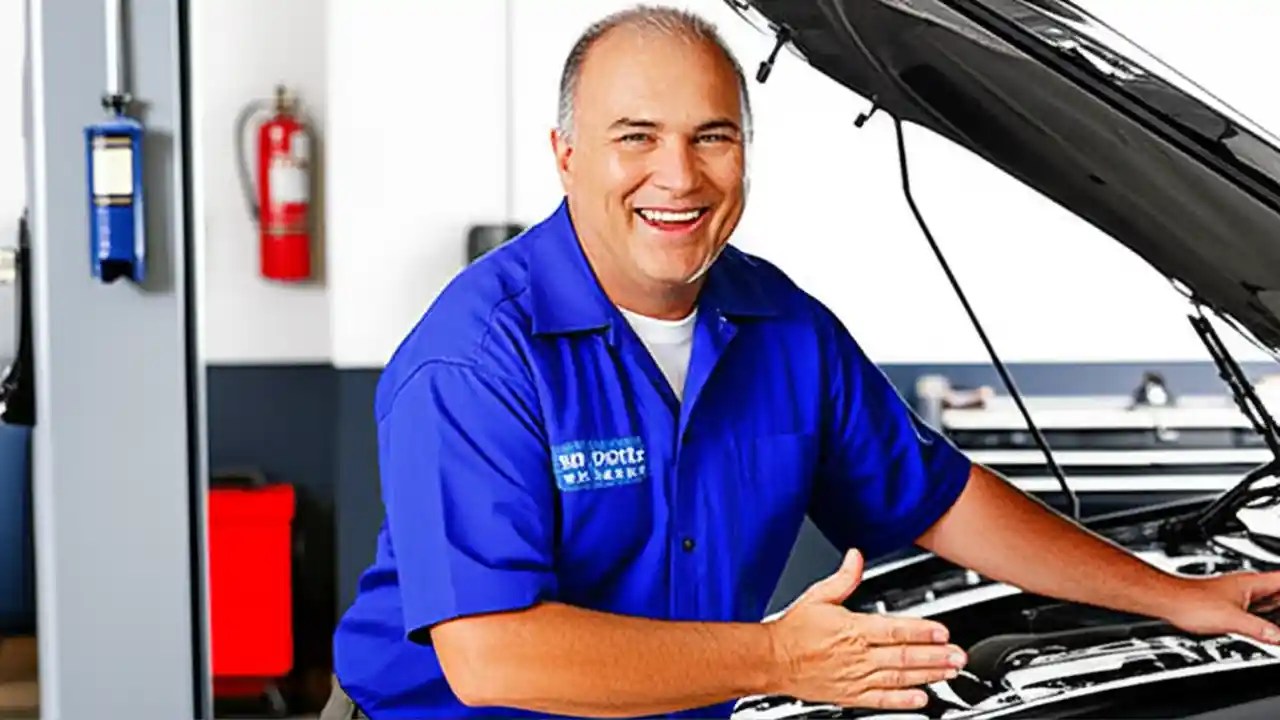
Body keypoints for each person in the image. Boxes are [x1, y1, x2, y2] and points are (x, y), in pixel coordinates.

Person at [323, 5, 1280, 719]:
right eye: (636, 139)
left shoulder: (782, 325)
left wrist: (1178, 599)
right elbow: (493, 658)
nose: (680, 175)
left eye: (713, 137)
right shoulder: (474, 360)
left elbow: (941, 498)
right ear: (566, 155)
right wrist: (779, 661)